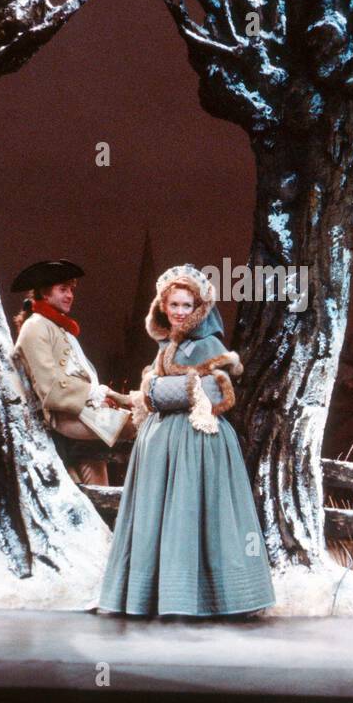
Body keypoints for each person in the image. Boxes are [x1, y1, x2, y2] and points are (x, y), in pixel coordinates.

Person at [98, 264, 275, 617]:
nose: (179, 312)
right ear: (162, 306)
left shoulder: (208, 344)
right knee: (159, 516)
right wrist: (133, 395)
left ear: (199, 308)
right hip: (161, 447)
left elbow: (213, 392)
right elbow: (155, 394)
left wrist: (155, 388)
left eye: (186, 306)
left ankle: (202, 598)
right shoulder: (166, 347)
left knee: (193, 513)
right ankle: (155, 595)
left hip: (197, 444)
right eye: (173, 305)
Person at [11, 259, 127, 485]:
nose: (70, 295)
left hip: (80, 418)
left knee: (99, 496)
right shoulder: (36, 326)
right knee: (136, 427)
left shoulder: (59, 328)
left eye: (71, 290)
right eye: (63, 289)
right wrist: (92, 394)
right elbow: (51, 389)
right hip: (63, 421)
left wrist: (103, 395)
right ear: (45, 293)